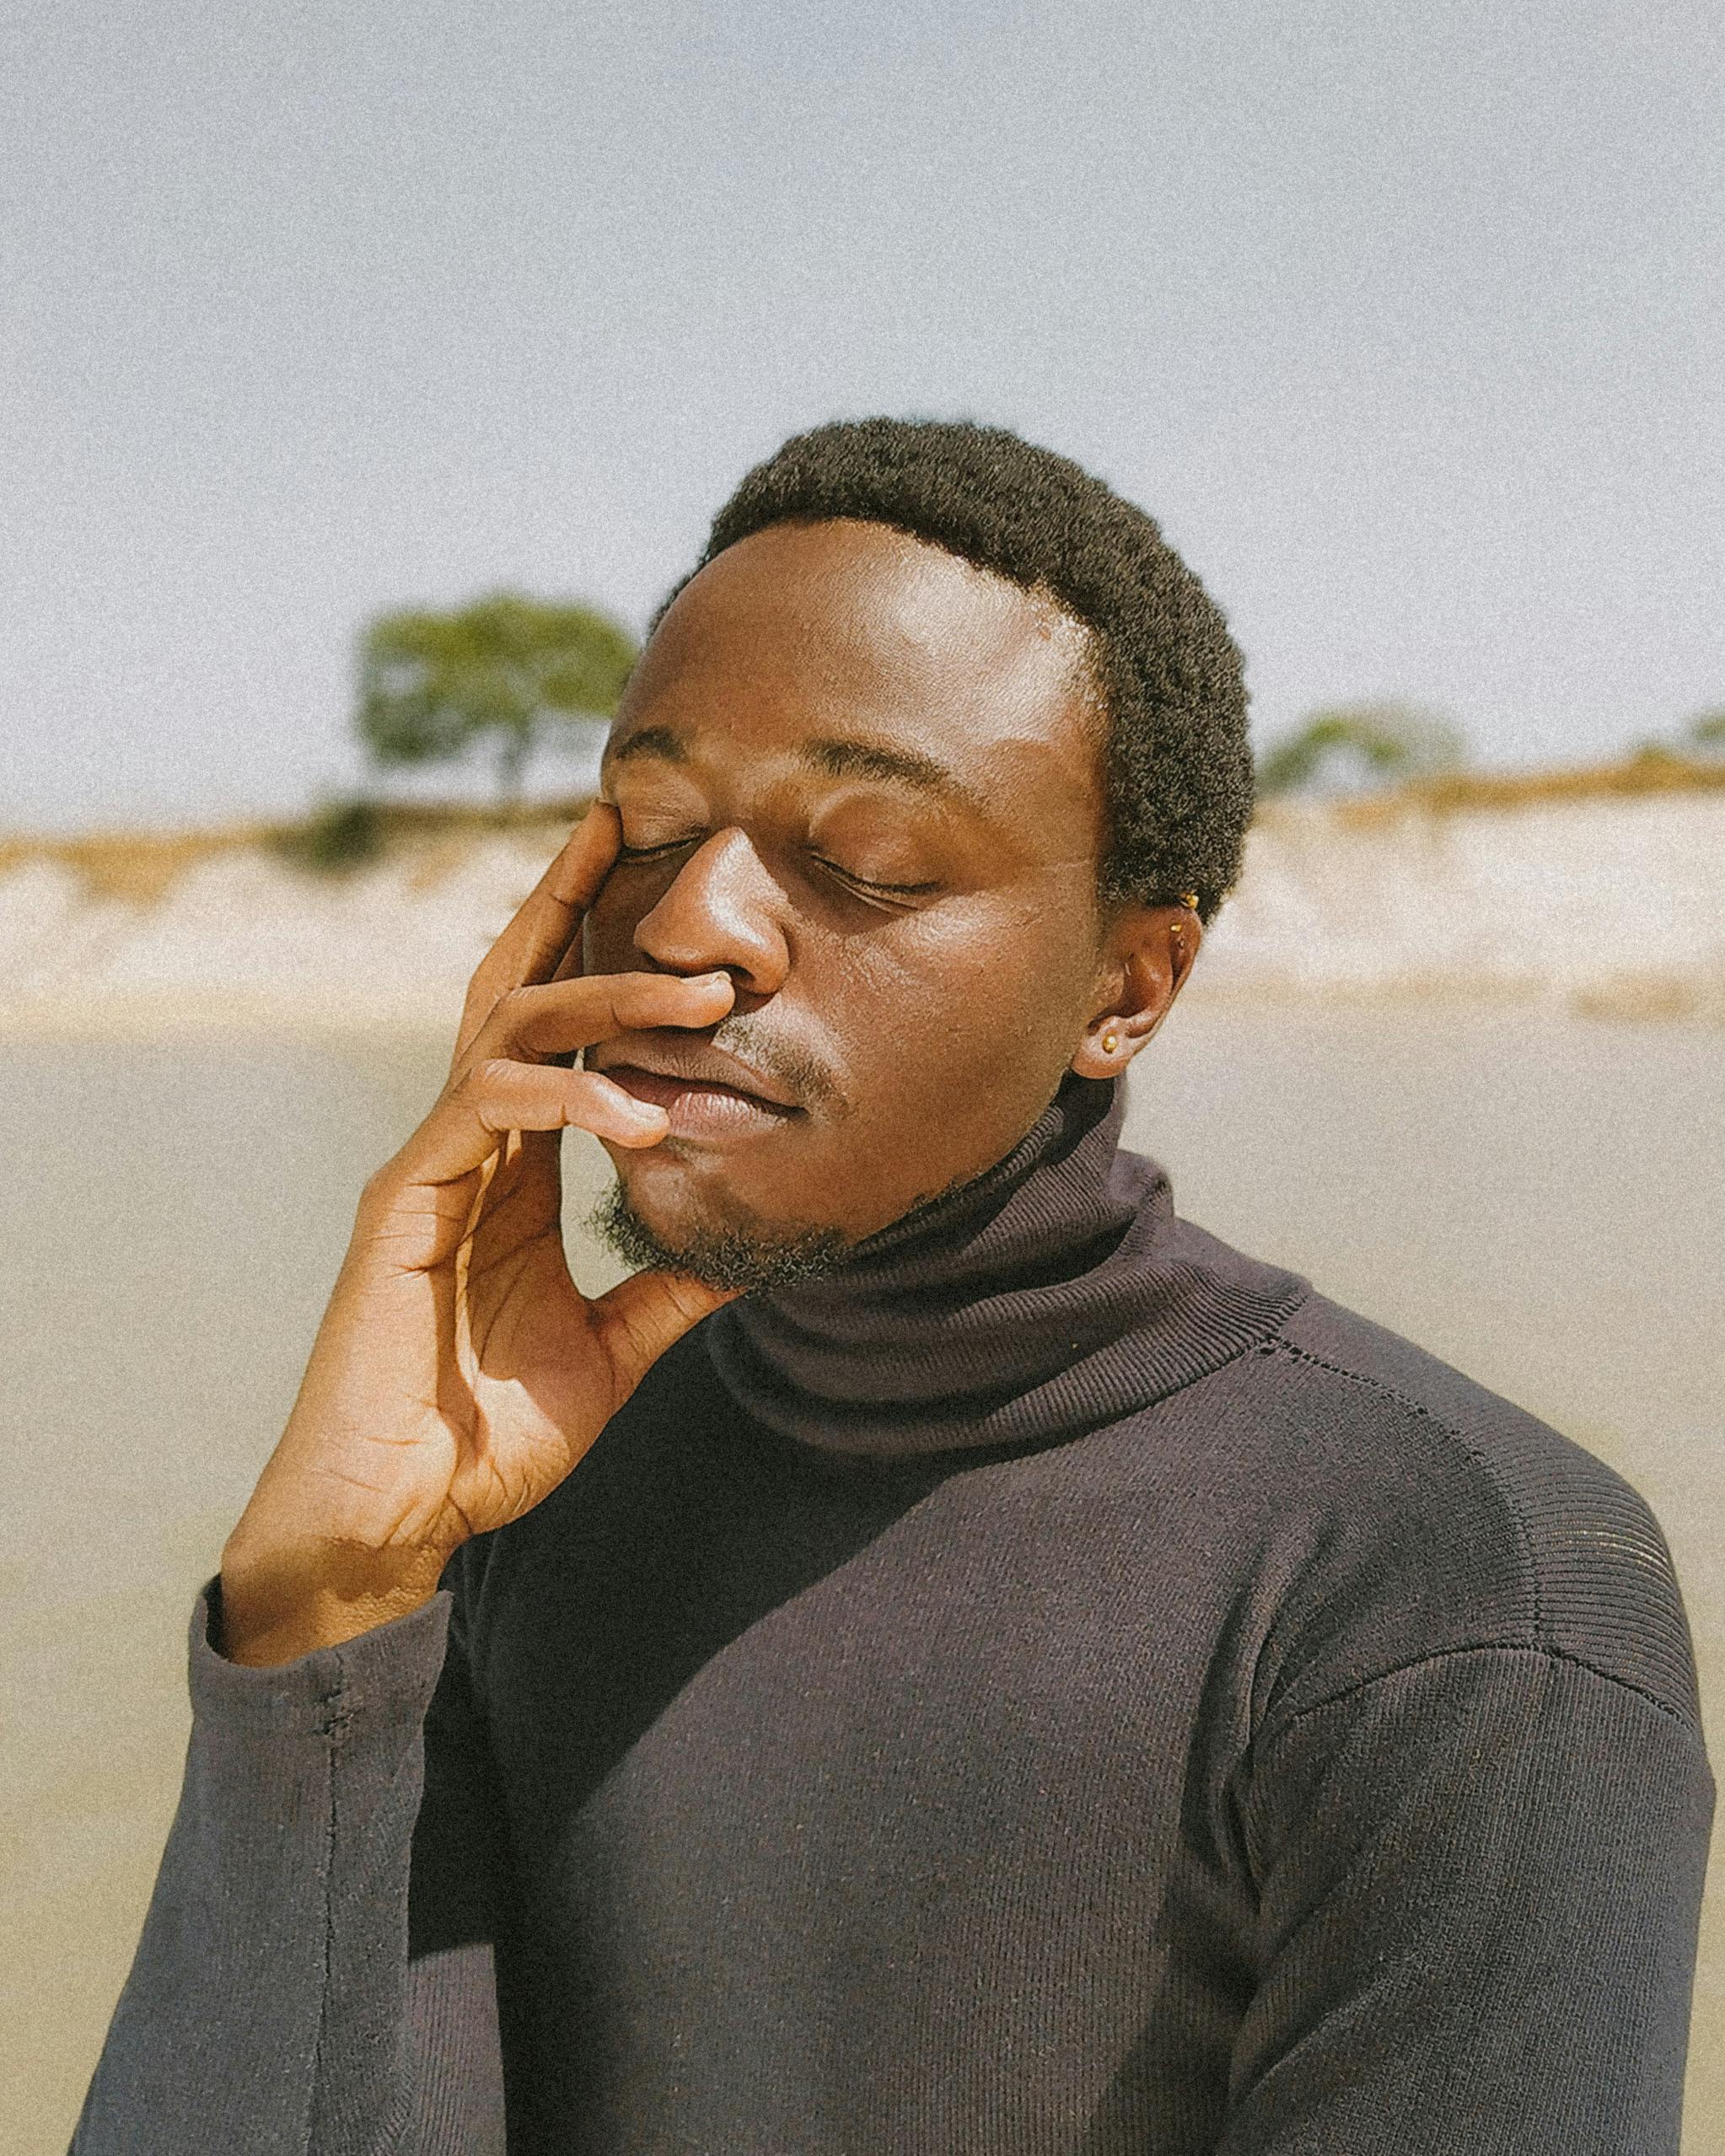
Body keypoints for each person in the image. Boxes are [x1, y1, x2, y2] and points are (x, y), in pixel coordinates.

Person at [73, 418, 1712, 2154]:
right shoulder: (516, 1495)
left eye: (866, 859)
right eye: (646, 817)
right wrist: (323, 1610)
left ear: (1130, 983)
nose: (693, 925)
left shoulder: (1454, 1597)